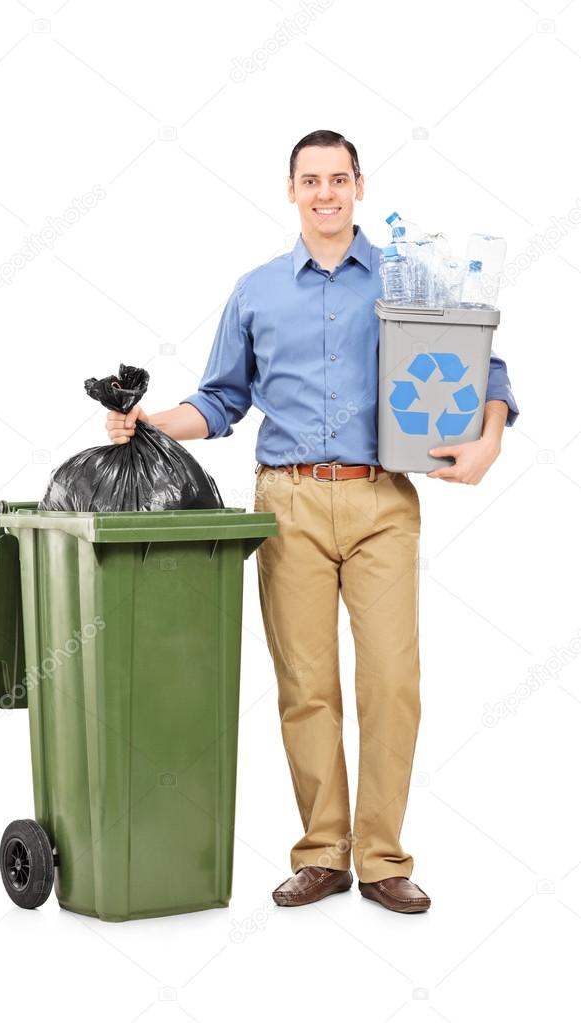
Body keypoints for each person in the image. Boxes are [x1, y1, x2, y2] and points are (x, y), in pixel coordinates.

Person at [105, 130, 519, 914]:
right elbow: (221, 399)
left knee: (393, 681)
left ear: (360, 186)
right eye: (310, 180)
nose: (325, 193)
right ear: (290, 190)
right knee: (306, 685)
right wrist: (149, 421)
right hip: (287, 503)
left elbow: (482, 361)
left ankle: (384, 856)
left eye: (339, 179)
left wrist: (490, 434)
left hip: (383, 500)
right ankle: (324, 853)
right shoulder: (257, 290)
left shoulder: (407, 278)